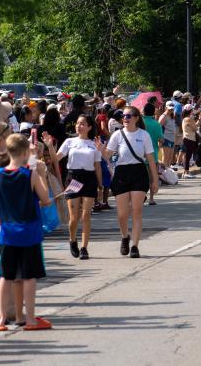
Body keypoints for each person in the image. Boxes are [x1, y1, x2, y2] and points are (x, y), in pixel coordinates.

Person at [0, 133, 53, 331]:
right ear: (24, 153)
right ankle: (30, 319)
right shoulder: (30, 174)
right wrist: (39, 173)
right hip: (29, 232)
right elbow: (45, 199)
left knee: (6, 275)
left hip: (7, 231)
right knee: (29, 276)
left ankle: (1, 320)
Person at [97, 106, 158, 258]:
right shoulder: (117, 135)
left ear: (136, 118)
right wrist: (100, 150)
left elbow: (151, 159)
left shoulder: (144, 135)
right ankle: (125, 236)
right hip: (122, 173)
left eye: (128, 116)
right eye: (123, 116)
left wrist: (155, 180)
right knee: (122, 214)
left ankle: (135, 246)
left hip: (139, 172)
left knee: (137, 210)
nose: (125, 118)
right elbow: (107, 156)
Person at [53, 115, 101, 260]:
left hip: (89, 178)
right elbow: (56, 158)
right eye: (78, 123)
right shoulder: (70, 141)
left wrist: (100, 185)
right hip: (73, 178)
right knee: (73, 216)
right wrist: (49, 146)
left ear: (89, 127)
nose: (79, 126)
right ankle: (72, 239)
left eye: (82, 124)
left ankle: (84, 248)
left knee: (86, 215)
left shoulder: (94, 144)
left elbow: (97, 166)